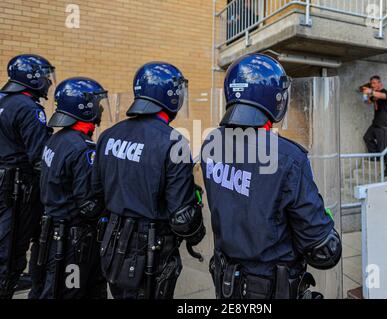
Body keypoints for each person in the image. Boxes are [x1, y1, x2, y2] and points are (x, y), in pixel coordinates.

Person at [201, 53, 342, 299]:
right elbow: (322, 250)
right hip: (270, 287)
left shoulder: (210, 143)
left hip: (226, 283)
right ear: (274, 97)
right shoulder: (289, 157)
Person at [93, 62, 205, 299]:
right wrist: (197, 226)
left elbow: (95, 194)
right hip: (151, 252)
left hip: (112, 244)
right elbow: (182, 219)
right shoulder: (173, 142)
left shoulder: (108, 135)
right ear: (171, 95)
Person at [38, 77, 109, 299]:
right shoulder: (83, 149)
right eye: (97, 103)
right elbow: (87, 205)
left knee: (50, 288)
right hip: (74, 243)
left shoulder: (56, 140)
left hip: (53, 232)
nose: (100, 109)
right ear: (85, 106)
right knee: (73, 291)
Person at [0, 54, 55, 299]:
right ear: (32, 77)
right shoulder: (28, 108)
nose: (49, 82)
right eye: (45, 75)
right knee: (10, 252)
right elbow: (40, 158)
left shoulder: (2, 100)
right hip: (17, 189)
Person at [362, 75, 387, 176]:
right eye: (371, 84)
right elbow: (367, 102)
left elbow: (382, 96)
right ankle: (376, 156)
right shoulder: (375, 96)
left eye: (374, 83)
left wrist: (370, 91)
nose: (372, 85)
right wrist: (365, 94)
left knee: (385, 148)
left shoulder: (386, 93)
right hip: (376, 124)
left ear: (379, 83)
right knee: (367, 138)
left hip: (385, 126)